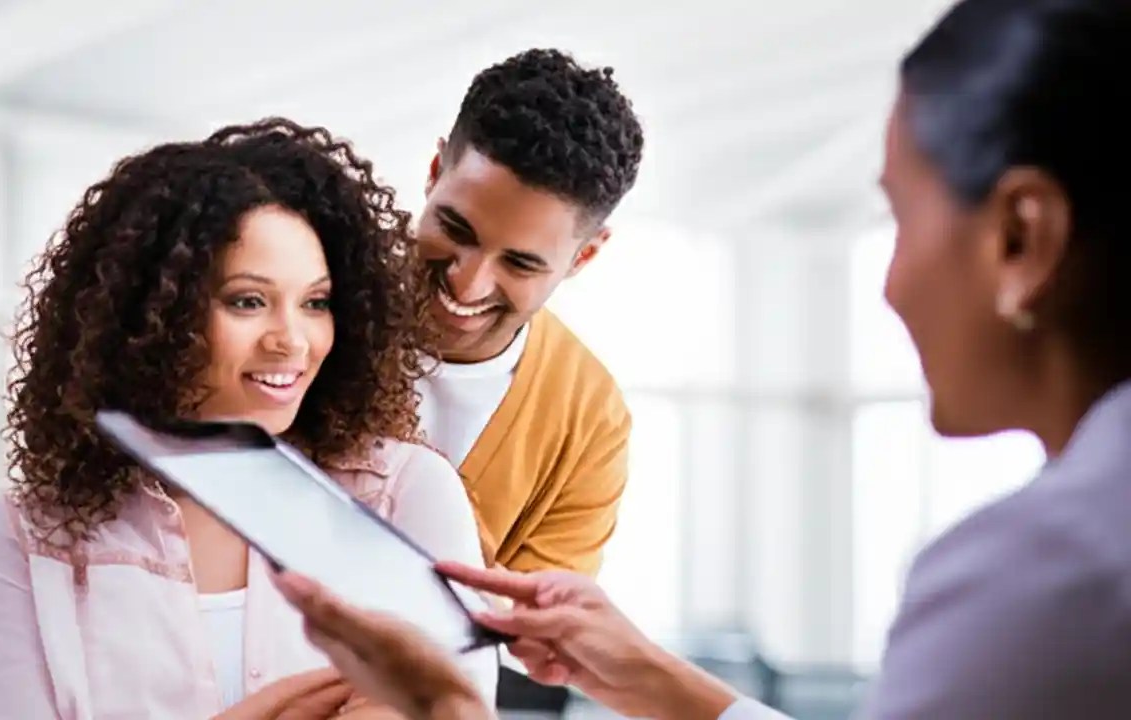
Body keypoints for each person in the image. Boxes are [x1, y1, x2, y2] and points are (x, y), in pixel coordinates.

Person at [272, 0, 1131, 717]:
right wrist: (646, 672)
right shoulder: (305, 307)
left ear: (1024, 236)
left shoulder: (1047, 577)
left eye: (900, 219)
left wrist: (448, 705)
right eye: (456, 231)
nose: (889, 288)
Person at [0, 117, 496, 718]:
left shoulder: (404, 493)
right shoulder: (26, 538)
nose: (293, 341)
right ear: (153, 317)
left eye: (316, 303)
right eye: (248, 301)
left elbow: (458, 711)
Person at [412, 48, 645, 575]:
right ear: (433, 171)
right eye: (455, 229)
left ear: (583, 256)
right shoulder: (310, 298)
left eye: (520, 264)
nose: (468, 284)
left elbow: (531, 634)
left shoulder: (588, 419)